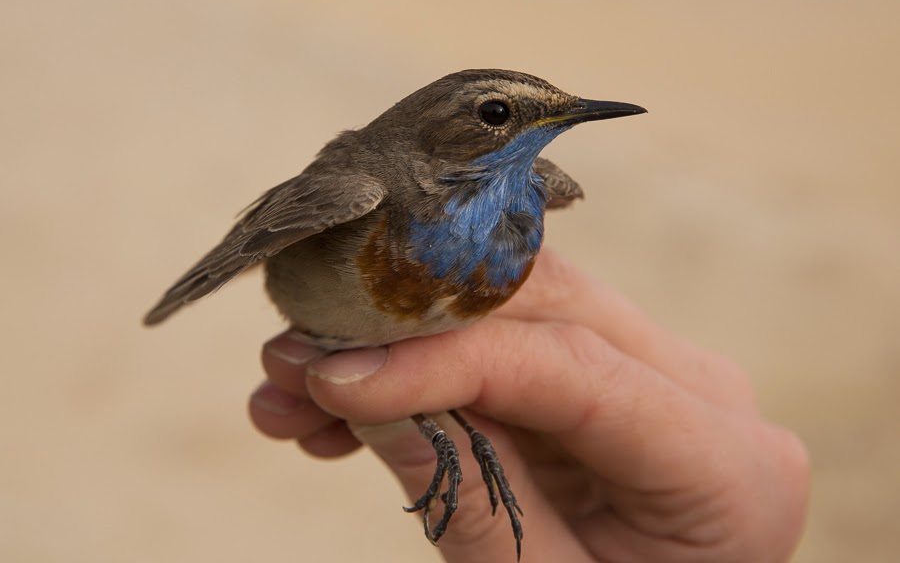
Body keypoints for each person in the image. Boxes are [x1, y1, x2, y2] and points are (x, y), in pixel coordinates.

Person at [248, 250, 809, 562]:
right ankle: (436, 428)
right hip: (343, 327)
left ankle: (438, 427)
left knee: (409, 381)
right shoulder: (366, 193)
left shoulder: (518, 197)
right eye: (498, 113)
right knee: (391, 385)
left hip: (401, 334)